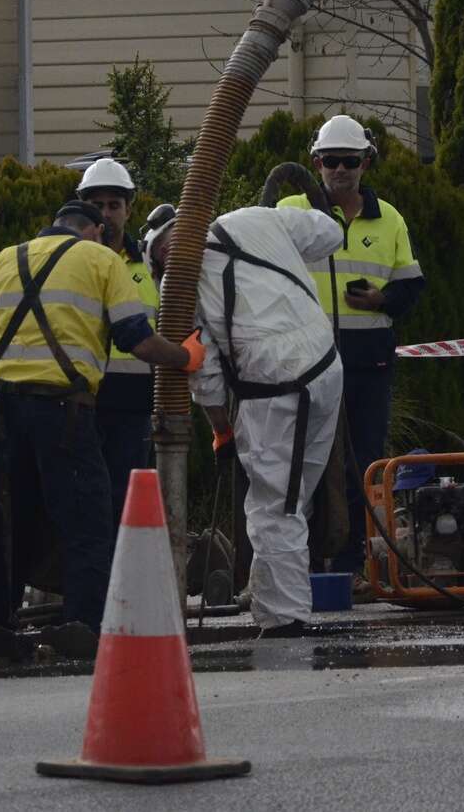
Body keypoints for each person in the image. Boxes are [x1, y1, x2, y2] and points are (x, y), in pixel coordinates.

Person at [0, 200, 203, 652]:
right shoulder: (102, 258)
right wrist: (186, 357)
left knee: (8, 520)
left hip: (1, 411)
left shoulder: (8, 257)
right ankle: (82, 626)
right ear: (96, 231)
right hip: (63, 410)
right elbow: (136, 340)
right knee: (86, 519)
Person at [146, 201, 345, 636]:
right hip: (324, 366)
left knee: (272, 506)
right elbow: (329, 233)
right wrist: (273, 236)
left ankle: (282, 618)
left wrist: (221, 429)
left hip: (273, 387)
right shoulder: (255, 217)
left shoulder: (179, 286)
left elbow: (206, 372)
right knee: (294, 497)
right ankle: (273, 593)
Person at [276, 114, 424, 588]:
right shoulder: (291, 209)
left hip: (366, 362)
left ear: (365, 163)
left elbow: (411, 288)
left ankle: (352, 562)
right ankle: (303, 559)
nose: (340, 169)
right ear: (316, 162)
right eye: (331, 160)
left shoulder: (390, 219)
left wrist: (382, 300)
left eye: (350, 161)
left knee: (361, 460)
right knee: (306, 463)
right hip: (306, 360)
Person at [75, 158, 159, 523]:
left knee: (126, 497)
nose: (106, 214)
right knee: (86, 496)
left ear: (129, 208)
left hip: (133, 402)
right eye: (97, 206)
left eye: (114, 205)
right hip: (81, 399)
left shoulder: (150, 266)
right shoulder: (70, 264)